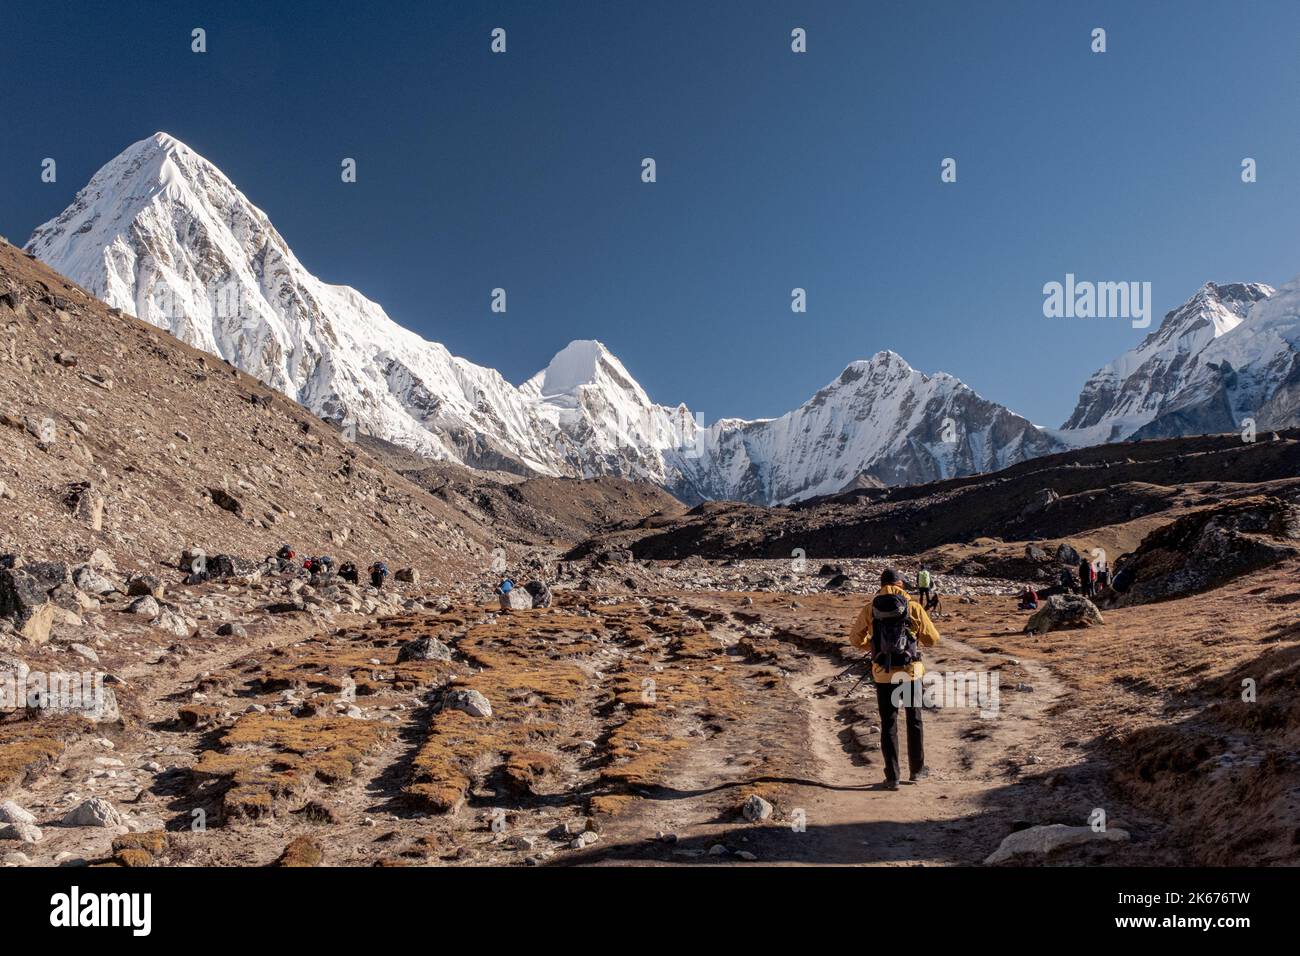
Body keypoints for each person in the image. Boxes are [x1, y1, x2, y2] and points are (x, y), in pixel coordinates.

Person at [849, 568, 941, 791]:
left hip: (883, 673)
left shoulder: (870, 608)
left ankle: (892, 777)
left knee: (888, 723)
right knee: (914, 719)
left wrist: (875, 648)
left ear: (881, 585)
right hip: (910, 672)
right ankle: (917, 770)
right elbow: (932, 639)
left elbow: (854, 639)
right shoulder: (913, 607)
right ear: (901, 584)